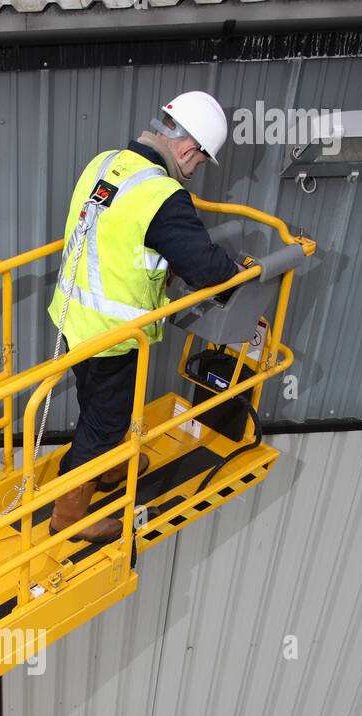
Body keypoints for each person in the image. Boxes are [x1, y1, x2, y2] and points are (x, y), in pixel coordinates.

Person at [47, 91, 244, 541]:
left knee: (96, 403)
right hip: (114, 335)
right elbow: (205, 268)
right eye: (198, 163)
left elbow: (119, 239)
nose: (194, 173)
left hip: (73, 320)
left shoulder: (106, 163)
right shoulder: (162, 194)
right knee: (107, 421)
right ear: (187, 148)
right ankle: (68, 514)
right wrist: (240, 270)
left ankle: (111, 465)